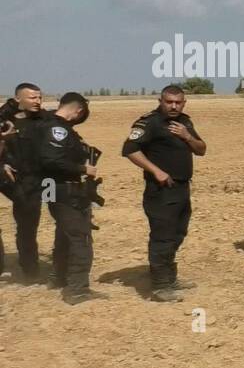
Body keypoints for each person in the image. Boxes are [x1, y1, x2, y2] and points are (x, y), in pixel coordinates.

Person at [122, 85, 207, 301]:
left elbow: (201, 149)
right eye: (169, 102)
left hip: (182, 187)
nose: (173, 106)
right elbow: (130, 150)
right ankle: (160, 286)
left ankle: (168, 277)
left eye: (178, 102)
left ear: (184, 102)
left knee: (178, 232)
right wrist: (156, 171)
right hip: (160, 191)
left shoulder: (184, 122)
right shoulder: (149, 122)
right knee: (162, 236)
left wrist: (187, 136)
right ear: (161, 101)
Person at [34, 92, 104, 304]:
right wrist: (84, 168)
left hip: (51, 188)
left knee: (64, 233)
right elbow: (51, 161)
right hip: (63, 189)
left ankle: (58, 277)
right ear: (78, 110)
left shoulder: (45, 124)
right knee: (80, 238)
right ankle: (77, 290)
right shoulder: (58, 129)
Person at [0, 83, 53, 281]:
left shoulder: (46, 119)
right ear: (18, 100)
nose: (37, 101)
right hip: (9, 177)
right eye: (32, 98)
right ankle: (18, 267)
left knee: (33, 223)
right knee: (25, 226)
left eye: (39, 97)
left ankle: (39, 266)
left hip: (37, 181)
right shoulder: (6, 122)